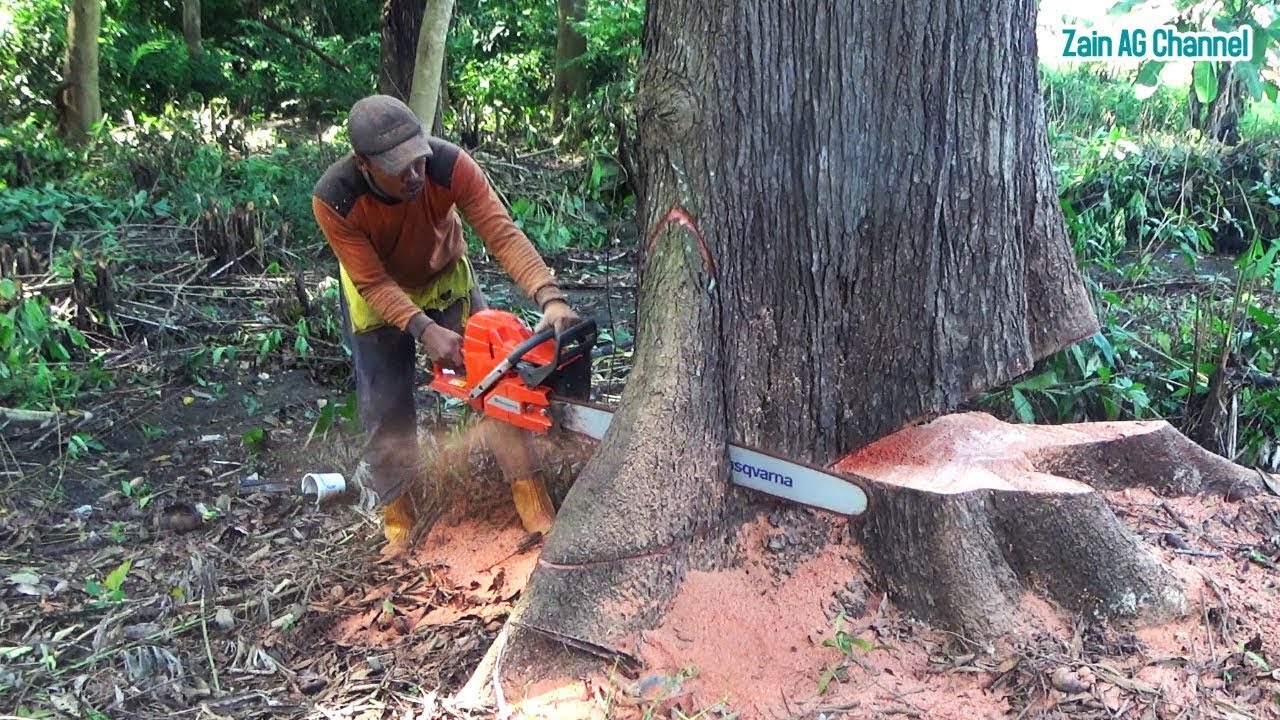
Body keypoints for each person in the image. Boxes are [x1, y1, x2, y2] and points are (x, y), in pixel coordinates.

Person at [311, 94, 580, 547]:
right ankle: (398, 518)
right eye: (400, 169)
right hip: (376, 297)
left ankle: (530, 495)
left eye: (418, 160)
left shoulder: (449, 165)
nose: (415, 174)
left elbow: (501, 231)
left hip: (443, 276)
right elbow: (372, 283)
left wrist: (549, 298)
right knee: (385, 406)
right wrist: (424, 329)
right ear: (363, 164)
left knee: (498, 381)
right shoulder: (336, 199)